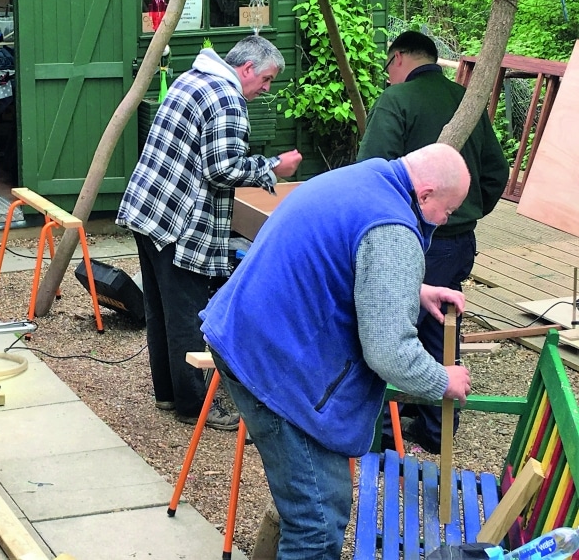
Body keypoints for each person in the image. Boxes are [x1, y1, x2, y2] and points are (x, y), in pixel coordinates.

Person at [200, 143, 473, 560]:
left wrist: (410, 290)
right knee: (318, 520)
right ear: (426, 194)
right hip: (272, 362)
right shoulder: (394, 228)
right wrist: (442, 380)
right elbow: (389, 354)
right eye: (448, 211)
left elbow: (342, 256)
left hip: (250, 333)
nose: (444, 221)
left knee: (317, 505)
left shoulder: (368, 177)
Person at [116, 35, 302, 430]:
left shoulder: (192, 77)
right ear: (247, 68)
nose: (266, 89)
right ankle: (194, 405)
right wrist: (274, 167)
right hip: (180, 221)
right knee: (185, 314)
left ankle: (168, 393)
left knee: (160, 308)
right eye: (266, 79)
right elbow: (223, 170)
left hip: (147, 210)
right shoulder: (227, 97)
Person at [357, 30, 508, 453]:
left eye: (388, 68)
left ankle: (419, 426)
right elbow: (496, 172)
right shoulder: (466, 99)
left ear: (400, 57)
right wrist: (466, 210)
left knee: (400, 321)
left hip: (416, 236)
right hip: (461, 239)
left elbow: (371, 171)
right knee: (444, 325)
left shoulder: (397, 100)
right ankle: (434, 421)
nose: (388, 77)